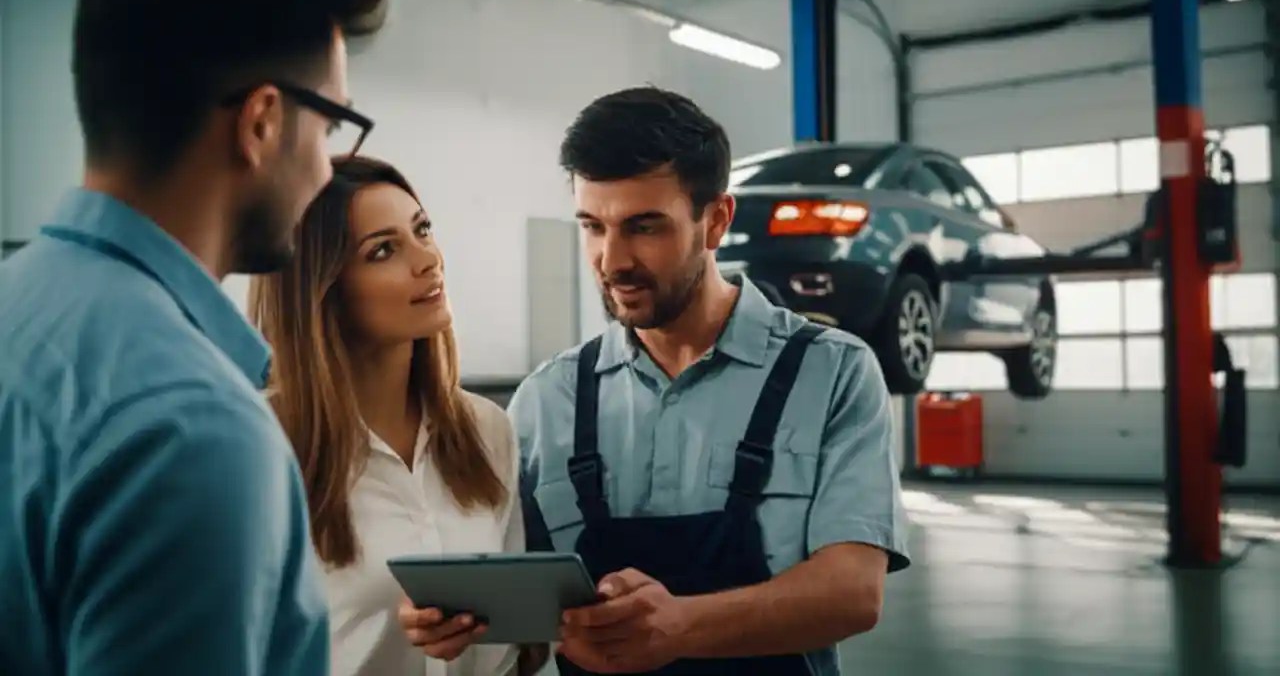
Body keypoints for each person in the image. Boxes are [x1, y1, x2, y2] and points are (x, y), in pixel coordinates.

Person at [0, 0, 386, 675]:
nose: (330, 169)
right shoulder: (190, 423)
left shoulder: (17, 310)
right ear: (264, 122)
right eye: (332, 125)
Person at [507, 86, 912, 676]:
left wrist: (679, 628)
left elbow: (851, 592)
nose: (612, 260)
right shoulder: (547, 400)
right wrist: (459, 620)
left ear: (716, 220)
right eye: (593, 226)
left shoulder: (833, 373)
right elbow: (524, 607)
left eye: (645, 227)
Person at [247, 155, 543, 676]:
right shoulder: (260, 446)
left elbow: (516, 650)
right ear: (323, 288)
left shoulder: (486, 429)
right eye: (383, 250)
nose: (427, 258)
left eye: (422, 229)